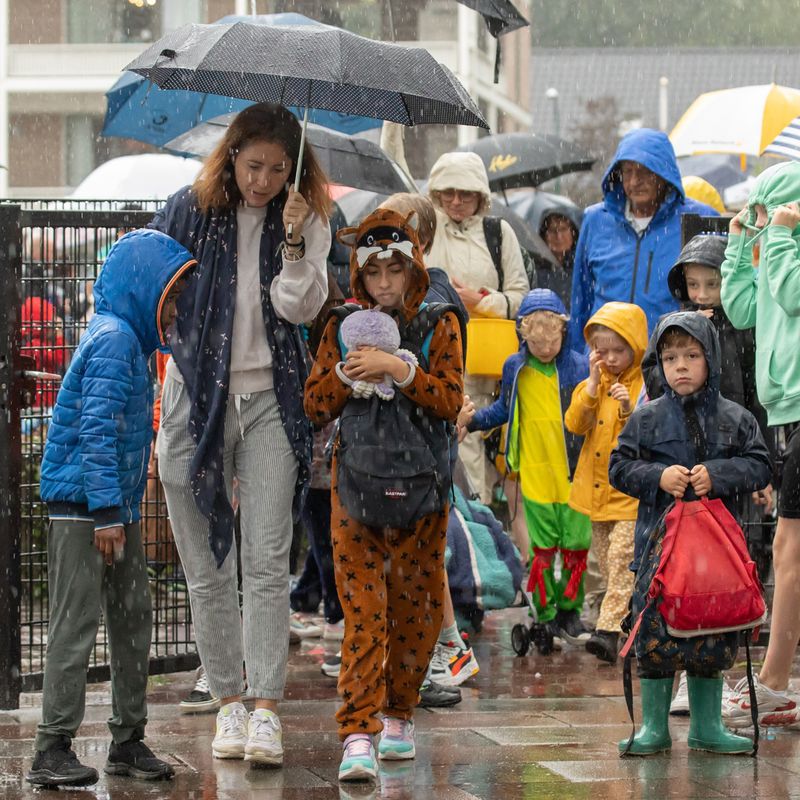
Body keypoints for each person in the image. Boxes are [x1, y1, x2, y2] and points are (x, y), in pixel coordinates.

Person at [150, 102, 331, 766]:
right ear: (232, 157)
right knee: (204, 562)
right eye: (253, 165)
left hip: (269, 400)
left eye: (278, 169)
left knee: (264, 558)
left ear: (294, 168)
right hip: (197, 398)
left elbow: (300, 309)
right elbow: (146, 286)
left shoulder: (306, 221)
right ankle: (226, 699)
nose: (263, 180)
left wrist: (292, 244)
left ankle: (264, 710)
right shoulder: (186, 211)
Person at [27, 229, 195, 788]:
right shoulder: (117, 340)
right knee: (77, 625)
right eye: (169, 297)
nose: (174, 309)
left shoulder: (131, 341)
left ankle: (128, 739)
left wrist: (116, 508)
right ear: (144, 288)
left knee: (131, 617)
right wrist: (105, 512)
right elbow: (96, 433)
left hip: (106, 506)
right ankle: (52, 747)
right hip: (86, 508)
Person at [304, 207, 464, 782]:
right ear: (360, 275)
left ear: (413, 268)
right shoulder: (338, 323)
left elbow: (449, 400)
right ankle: (357, 731)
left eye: (395, 270)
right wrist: (348, 375)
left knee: (416, 610)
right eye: (374, 273)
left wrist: (400, 369)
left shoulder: (440, 322)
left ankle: (399, 714)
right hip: (356, 487)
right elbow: (315, 403)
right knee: (364, 611)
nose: (386, 284)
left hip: (424, 487)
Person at [609, 312, 771, 755]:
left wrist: (717, 475)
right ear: (657, 363)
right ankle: (654, 728)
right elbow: (618, 468)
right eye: (669, 357)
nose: (679, 366)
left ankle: (706, 725)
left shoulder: (736, 419)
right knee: (655, 639)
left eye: (691, 355)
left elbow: (760, 464)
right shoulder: (644, 420)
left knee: (713, 641)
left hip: (718, 560)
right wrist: (658, 477)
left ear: (710, 359)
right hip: (658, 557)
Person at [460, 289, 590, 653]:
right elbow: (502, 408)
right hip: (533, 472)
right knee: (542, 549)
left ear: (563, 333)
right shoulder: (515, 367)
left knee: (577, 546)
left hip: (572, 474)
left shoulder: (581, 367)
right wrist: (472, 421)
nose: (545, 349)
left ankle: (570, 610)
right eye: (536, 343)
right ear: (524, 336)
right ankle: (546, 613)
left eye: (551, 342)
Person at [720, 162, 800, 729]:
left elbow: (794, 297)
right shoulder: (776, 252)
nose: (761, 220)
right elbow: (742, 309)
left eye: (769, 209)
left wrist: (774, 237)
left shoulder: (787, 255)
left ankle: (774, 681)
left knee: (790, 551)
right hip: (786, 413)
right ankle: (777, 681)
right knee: (790, 550)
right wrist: (736, 247)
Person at [427, 151, 530, 504]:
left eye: (466, 193)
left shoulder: (497, 232)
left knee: (472, 449)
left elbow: (520, 296)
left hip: (482, 363)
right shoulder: (424, 225)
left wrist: (481, 300)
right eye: (448, 192)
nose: (456, 201)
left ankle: (474, 526)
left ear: (480, 196)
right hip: (431, 358)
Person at [567, 128, 719, 352]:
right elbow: (581, 298)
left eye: (645, 172)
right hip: (606, 364)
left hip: (669, 362)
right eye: (628, 172)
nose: (635, 181)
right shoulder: (595, 220)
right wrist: (579, 357)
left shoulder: (696, 220)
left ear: (664, 174)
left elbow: (719, 297)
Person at [565, 302, 648, 664]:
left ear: (636, 348)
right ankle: (631, 622)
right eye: (604, 351)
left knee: (622, 556)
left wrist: (630, 408)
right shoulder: (593, 385)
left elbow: (647, 436)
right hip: (598, 494)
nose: (612, 359)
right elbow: (574, 424)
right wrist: (593, 385)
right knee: (611, 565)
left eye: (620, 350)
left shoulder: (644, 386)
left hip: (628, 495)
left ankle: (608, 631)